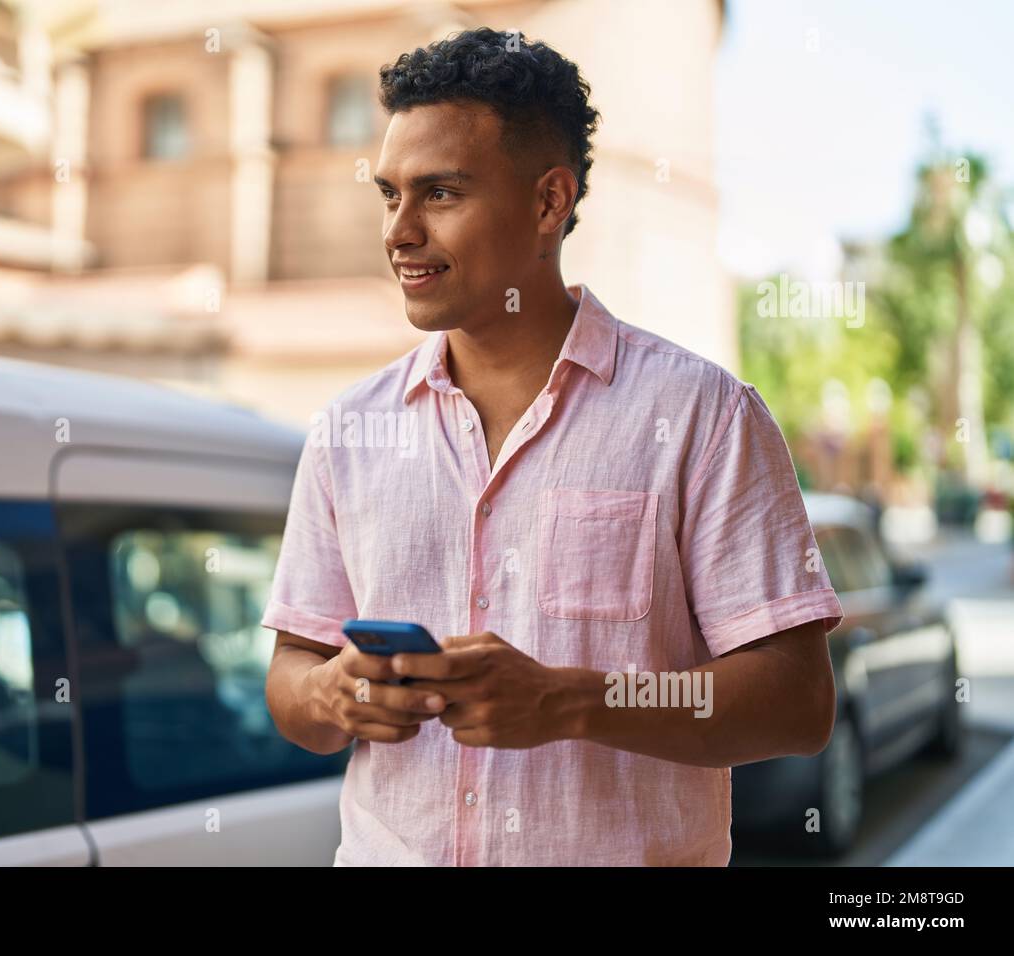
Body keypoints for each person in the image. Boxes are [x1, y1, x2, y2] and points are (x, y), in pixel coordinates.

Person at [262, 27, 844, 866]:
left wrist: (572, 702)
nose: (399, 231)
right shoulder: (349, 431)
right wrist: (331, 693)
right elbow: (290, 680)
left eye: (440, 194)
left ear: (547, 203)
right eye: (389, 195)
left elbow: (797, 702)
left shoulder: (702, 416)